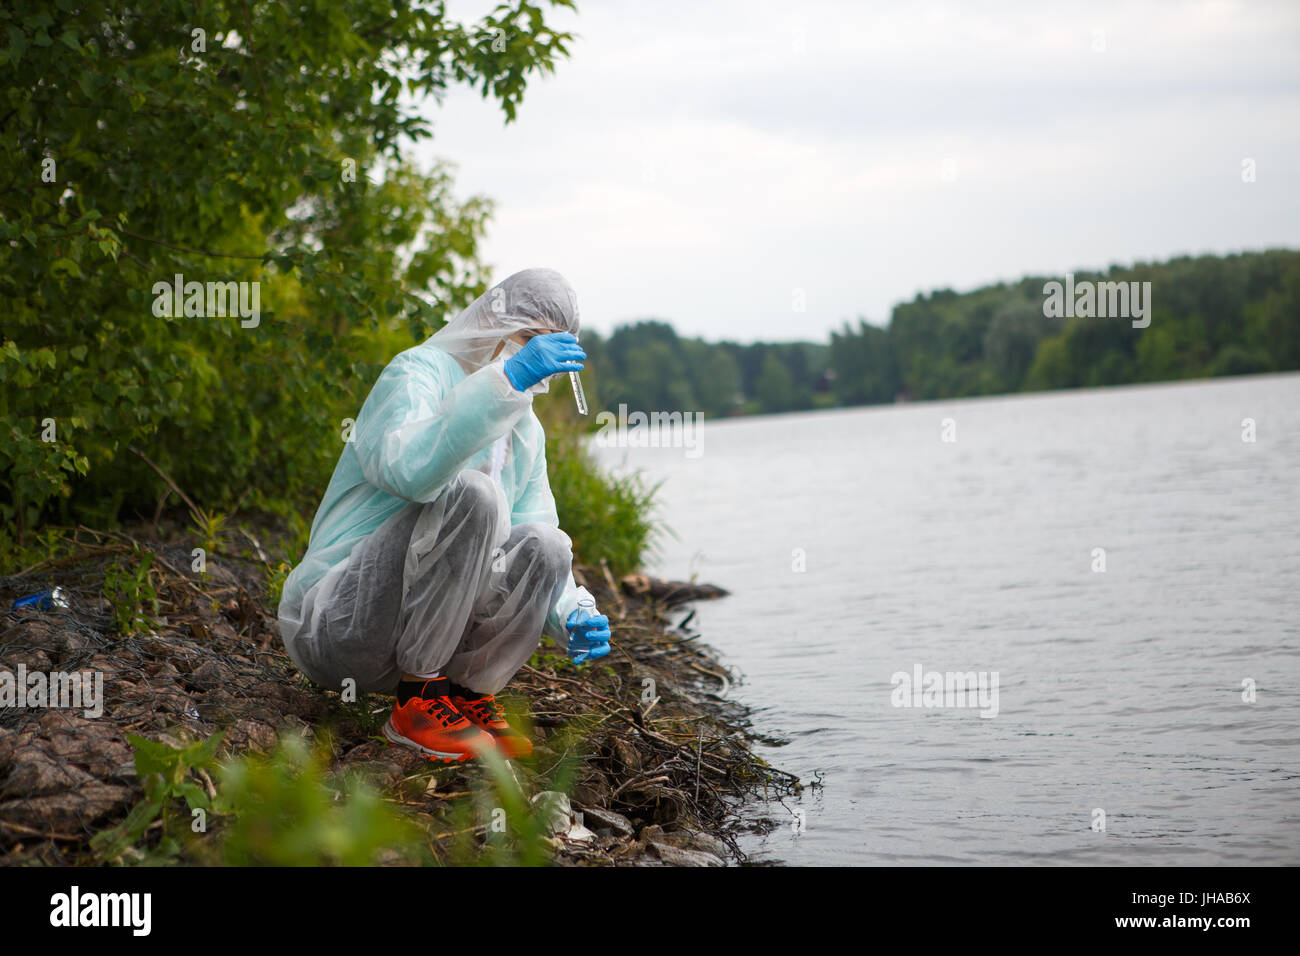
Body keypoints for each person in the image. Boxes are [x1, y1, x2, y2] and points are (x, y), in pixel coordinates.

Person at [277, 268, 612, 763]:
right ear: (495, 321)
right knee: (477, 496)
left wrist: (570, 612)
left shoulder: (524, 427)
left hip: (426, 636)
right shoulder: (417, 373)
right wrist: (504, 382)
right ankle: (417, 703)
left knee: (548, 543)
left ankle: (470, 695)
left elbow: (533, 524)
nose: (536, 360)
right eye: (529, 338)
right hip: (344, 621)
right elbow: (408, 471)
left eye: (551, 346)